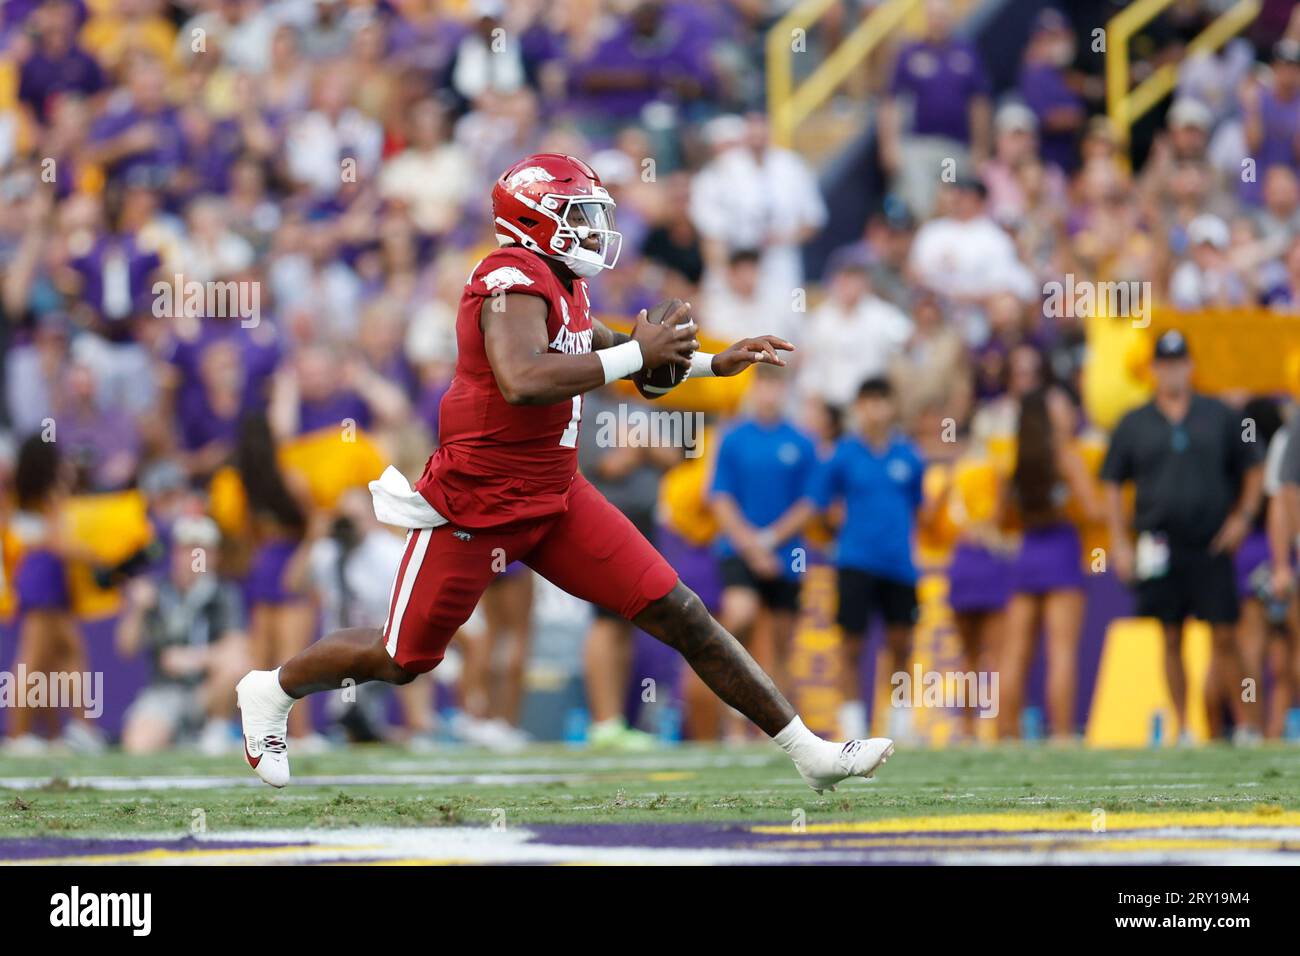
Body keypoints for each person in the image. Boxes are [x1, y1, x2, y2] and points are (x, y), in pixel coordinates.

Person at [236, 153, 893, 792]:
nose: (592, 229)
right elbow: (523, 379)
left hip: (555, 496)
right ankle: (272, 689)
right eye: (577, 214)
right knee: (400, 658)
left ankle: (810, 752)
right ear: (533, 219)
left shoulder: (565, 282)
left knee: (681, 613)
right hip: (477, 502)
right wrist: (640, 349)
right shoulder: (506, 279)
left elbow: (610, 350)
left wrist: (713, 364)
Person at [1101, 330, 1264, 743]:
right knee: (1170, 633)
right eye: (1165, 363)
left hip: (1211, 539)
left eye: (1179, 362)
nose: (1173, 371)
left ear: (1190, 365)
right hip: (1158, 542)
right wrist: (1118, 542)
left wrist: (1243, 517)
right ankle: (1184, 725)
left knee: (1225, 631)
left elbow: (1254, 464)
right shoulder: (1134, 423)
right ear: (1154, 369)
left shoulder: (1221, 416)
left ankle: (1246, 724)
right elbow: (1112, 483)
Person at [698, 364, 816, 740]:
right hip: (738, 548)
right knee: (740, 618)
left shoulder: (801, 442)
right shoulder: (732, 438)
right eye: (763, 384)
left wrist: (771, 541)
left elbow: (810, 502)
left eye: (776, 385)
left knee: (782, 643)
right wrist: (752, 546)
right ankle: (733, 726)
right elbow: (718, 497)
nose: (769, 393)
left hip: (786, 553)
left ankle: (781, 733)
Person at [810, 378, 926, 742]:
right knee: (851, 645)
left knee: (902, 644)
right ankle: (854, 727)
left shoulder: (910, 457)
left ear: (892, 407)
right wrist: (833, 536)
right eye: (868, 402)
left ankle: (900, 726)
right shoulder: (843, 455)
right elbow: (817, 505)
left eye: (882, 401)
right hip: (855, 562)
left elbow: (918, 508)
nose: (875, 410)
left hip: (899, 565)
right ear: (858, 407)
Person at [997, 385, 1100, 741]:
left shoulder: (1015, 458)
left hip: (1027, 551)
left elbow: (1002, 517)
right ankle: (1061, 734)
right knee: (1062, 651)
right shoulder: (1065, 455)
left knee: (1015, 653)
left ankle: (1006, 733)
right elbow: (1092, 509)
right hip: (1060, 549)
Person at [116, 515, 247, 754]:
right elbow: (126, 648)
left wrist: (193, 658)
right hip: (164, 691)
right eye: (187, 549)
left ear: (214, 556)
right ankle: (184, 734)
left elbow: (237, 651)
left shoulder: (223, 593)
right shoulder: (155, 590)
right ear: (175, 553)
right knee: (138, 745)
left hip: (206, 692)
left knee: (236, 666)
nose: (193, 558)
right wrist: (135, 610)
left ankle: (216, 729)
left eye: (201, 550)